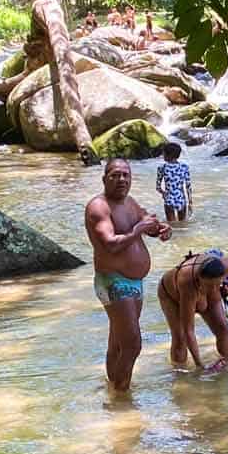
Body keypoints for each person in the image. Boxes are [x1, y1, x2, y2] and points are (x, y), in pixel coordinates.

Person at [85, 157, 173, 390]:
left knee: (119, 342)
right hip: (113, 280)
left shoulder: (130, 203)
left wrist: (161, 229)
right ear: (104, 178)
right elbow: (111, 244)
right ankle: (122, 397)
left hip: (134, 282)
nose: (121, 179)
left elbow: (148, 223)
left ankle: (112, 387)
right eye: (115, 174)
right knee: (133, 344)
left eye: (126, 175)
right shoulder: (98, 207)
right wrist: (138, 230)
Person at [158, 249, 228, 372]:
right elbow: (189, 330)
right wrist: (200, 366)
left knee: (222, 328)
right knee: (180, 337)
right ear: (199, 279)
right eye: (210, 285)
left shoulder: (223, 266)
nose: (214, 289)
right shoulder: (187, 283)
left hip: (201, 285)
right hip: (171, 295)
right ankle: (179, 373)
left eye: (217, 284)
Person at [156, 141, 193, 224]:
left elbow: (158, 187)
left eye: (164, 153)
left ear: (167, 155)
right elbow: (188, 187)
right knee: (183, 225)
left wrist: (163, 193)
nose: (162, 155)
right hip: (181, 200)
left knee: (171, 226)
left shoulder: (162, 167)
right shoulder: (184, 167)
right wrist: (190, 202)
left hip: (169, 200)